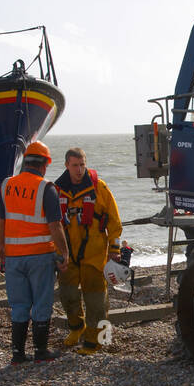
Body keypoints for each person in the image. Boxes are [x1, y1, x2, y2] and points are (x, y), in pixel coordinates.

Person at [0, 141, 70, 363]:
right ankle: (40, 351)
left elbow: (1, 220)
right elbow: (55, 226)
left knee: (19, 304)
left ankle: (17, 354)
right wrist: (64, 253)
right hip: (39, 256)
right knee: (41, 303)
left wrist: (1, 246)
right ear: (45, 165)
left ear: (25, 161)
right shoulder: (46, 188)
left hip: (13, 257)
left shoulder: (7, 185)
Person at [55, 147, 122, 354]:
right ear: (67, 165)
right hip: (68, 255)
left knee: (96, 301)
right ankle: (77, 327)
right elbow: (50, 223)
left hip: (94, 255)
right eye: (75, 165)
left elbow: (114, 220)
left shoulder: (99, 188)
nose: (79, 170)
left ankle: (98, 340)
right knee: (67, 295)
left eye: (82, 164)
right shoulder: (57, 191)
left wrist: (115, 247)